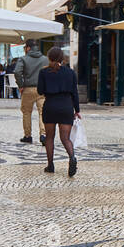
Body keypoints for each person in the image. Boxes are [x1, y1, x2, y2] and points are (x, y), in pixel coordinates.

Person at [37, 46, 81, 177]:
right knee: (65, 138)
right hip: (66, 107)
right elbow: (75, 93)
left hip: (50, 106)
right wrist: (77, 110)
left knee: (49, 138)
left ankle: (50, 165)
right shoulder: (70, 73)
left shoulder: (43, 72)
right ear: (62, 58)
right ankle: (72, 157)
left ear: (49, 57)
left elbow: (40, 90)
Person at [14, 39, 49, 143]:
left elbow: (17, 72)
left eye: (25, 47)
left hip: (28, 89)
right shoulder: (45, 59)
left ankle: (28, 136)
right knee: (42, 113)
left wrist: (20, 85)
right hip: (42, 90)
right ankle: (43, 134)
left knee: (26, 113)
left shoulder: (23, 59)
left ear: (28, 48)